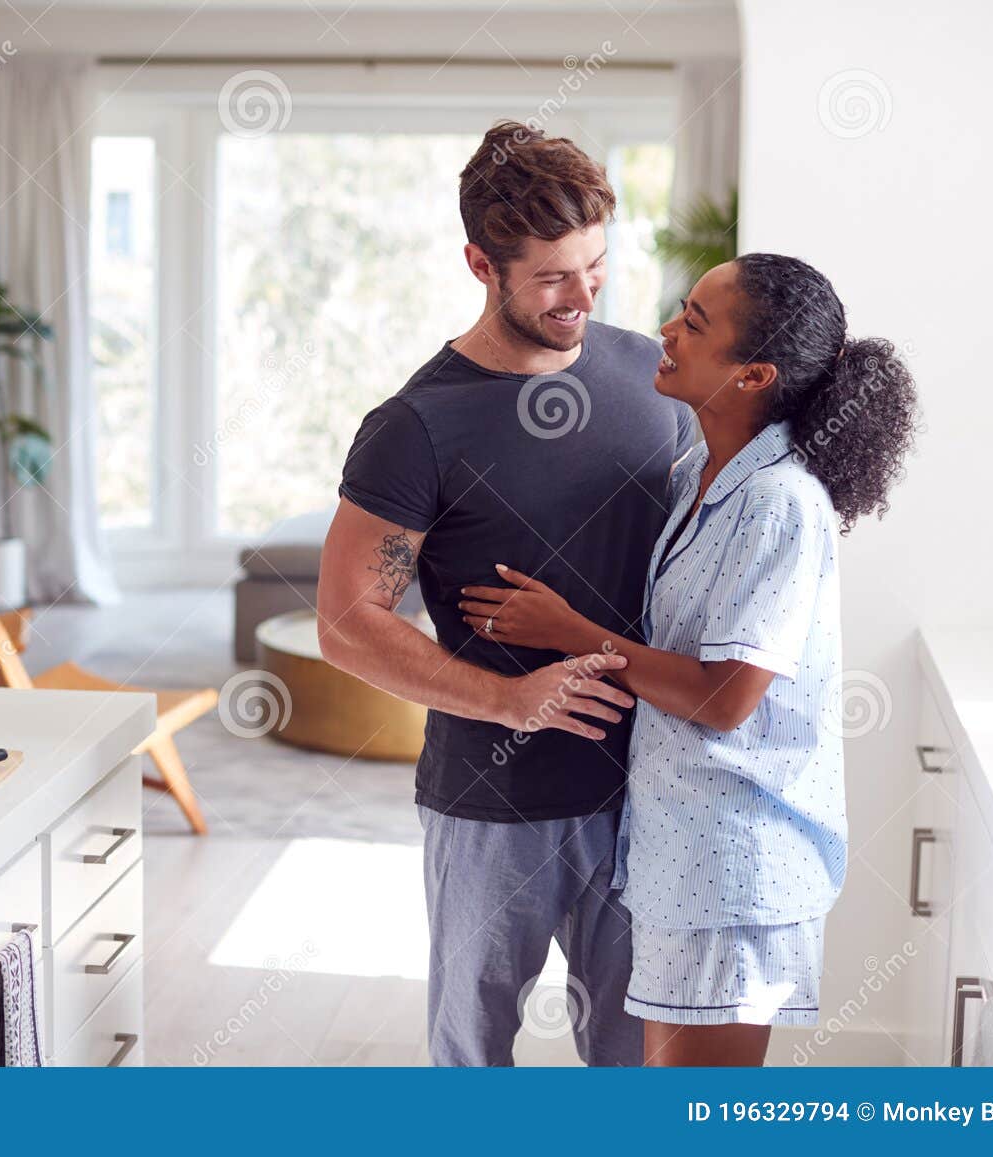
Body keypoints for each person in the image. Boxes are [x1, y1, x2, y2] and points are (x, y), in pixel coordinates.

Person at [457, 253, 918, 1065]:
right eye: (681, 310)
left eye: (696, 324)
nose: (665, 330)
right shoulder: (702, 475)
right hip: (686, 859)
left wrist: (569, 631)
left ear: (753, 375)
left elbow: (725, 698)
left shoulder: (778, 503)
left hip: (736, 870)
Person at [316, 121, 698, 1066]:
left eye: (597, 266)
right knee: (472, 1054)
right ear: (481, 262)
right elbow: (345, 623)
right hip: (492, 803)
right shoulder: (417, 425)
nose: (583, 295)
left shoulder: (649, 376)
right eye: (554, 277)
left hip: (647, 793)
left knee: (631, 1057)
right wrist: (512, 698)